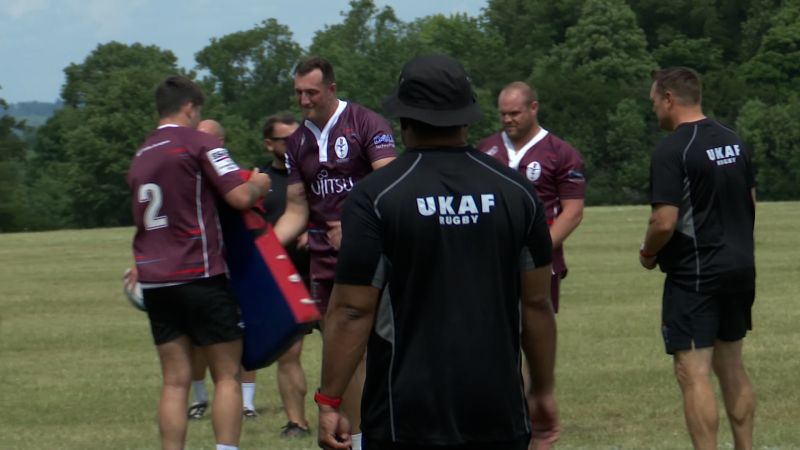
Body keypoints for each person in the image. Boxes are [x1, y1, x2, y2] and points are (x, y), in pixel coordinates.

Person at [316, 54, 560, 450]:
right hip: (498, 410)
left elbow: (351, 310)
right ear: (467, 117)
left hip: (404, 414)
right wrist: (543, 388)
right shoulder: (517, 192)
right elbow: (536, 305)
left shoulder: (375, 197)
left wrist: (330, 399)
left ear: (403, 119)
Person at [127, 75, 271, 450]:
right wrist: (260, 183)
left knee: (174, 380)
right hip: (200, 274)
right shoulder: (200, 142)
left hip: (155, 280)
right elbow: (239, 197)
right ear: (190, 107)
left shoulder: (142, 154)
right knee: (227, 375)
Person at [273, 56, 396, 450]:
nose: (304, 100)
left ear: (331, 88)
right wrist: (264, 250)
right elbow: (297, 208)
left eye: (311, 92)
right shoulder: (296, 142)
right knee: (345, 356)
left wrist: (358, 226)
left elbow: (390, 184)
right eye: (298, 93)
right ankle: (359, 440)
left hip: (376, 257)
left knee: (390, 350)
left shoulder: (366, 123)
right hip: (326, 264)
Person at [640, 67, 756, 450]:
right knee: (732, 367)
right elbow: (750, 203)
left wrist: (648, 252)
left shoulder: (673, 150)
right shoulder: (734, 141)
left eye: (654, 101)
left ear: (669, 99)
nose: (654, 109)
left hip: (695, 274)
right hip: (740, 267)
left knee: (694, 373)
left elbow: (664, 220)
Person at [477, 81, 585, 313]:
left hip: (540, 259)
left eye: (514, 113)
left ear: (533, 108)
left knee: (536, 327)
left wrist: (540, 247)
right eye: (503, 114)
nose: (507, 119)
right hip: (491, 259)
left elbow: (573, 211)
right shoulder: (485, 149)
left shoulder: (561, 152)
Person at [252, 113, 313, 437]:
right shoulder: (258, 183)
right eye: (285, 140)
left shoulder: (315, 173)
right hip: (281, 279)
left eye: (298, 138)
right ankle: (296, 423)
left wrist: (314, 231)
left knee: (344, 351)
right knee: (288, 354)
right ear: (268, 144)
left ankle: (349, 418)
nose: (294, 145)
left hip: (321, 271)